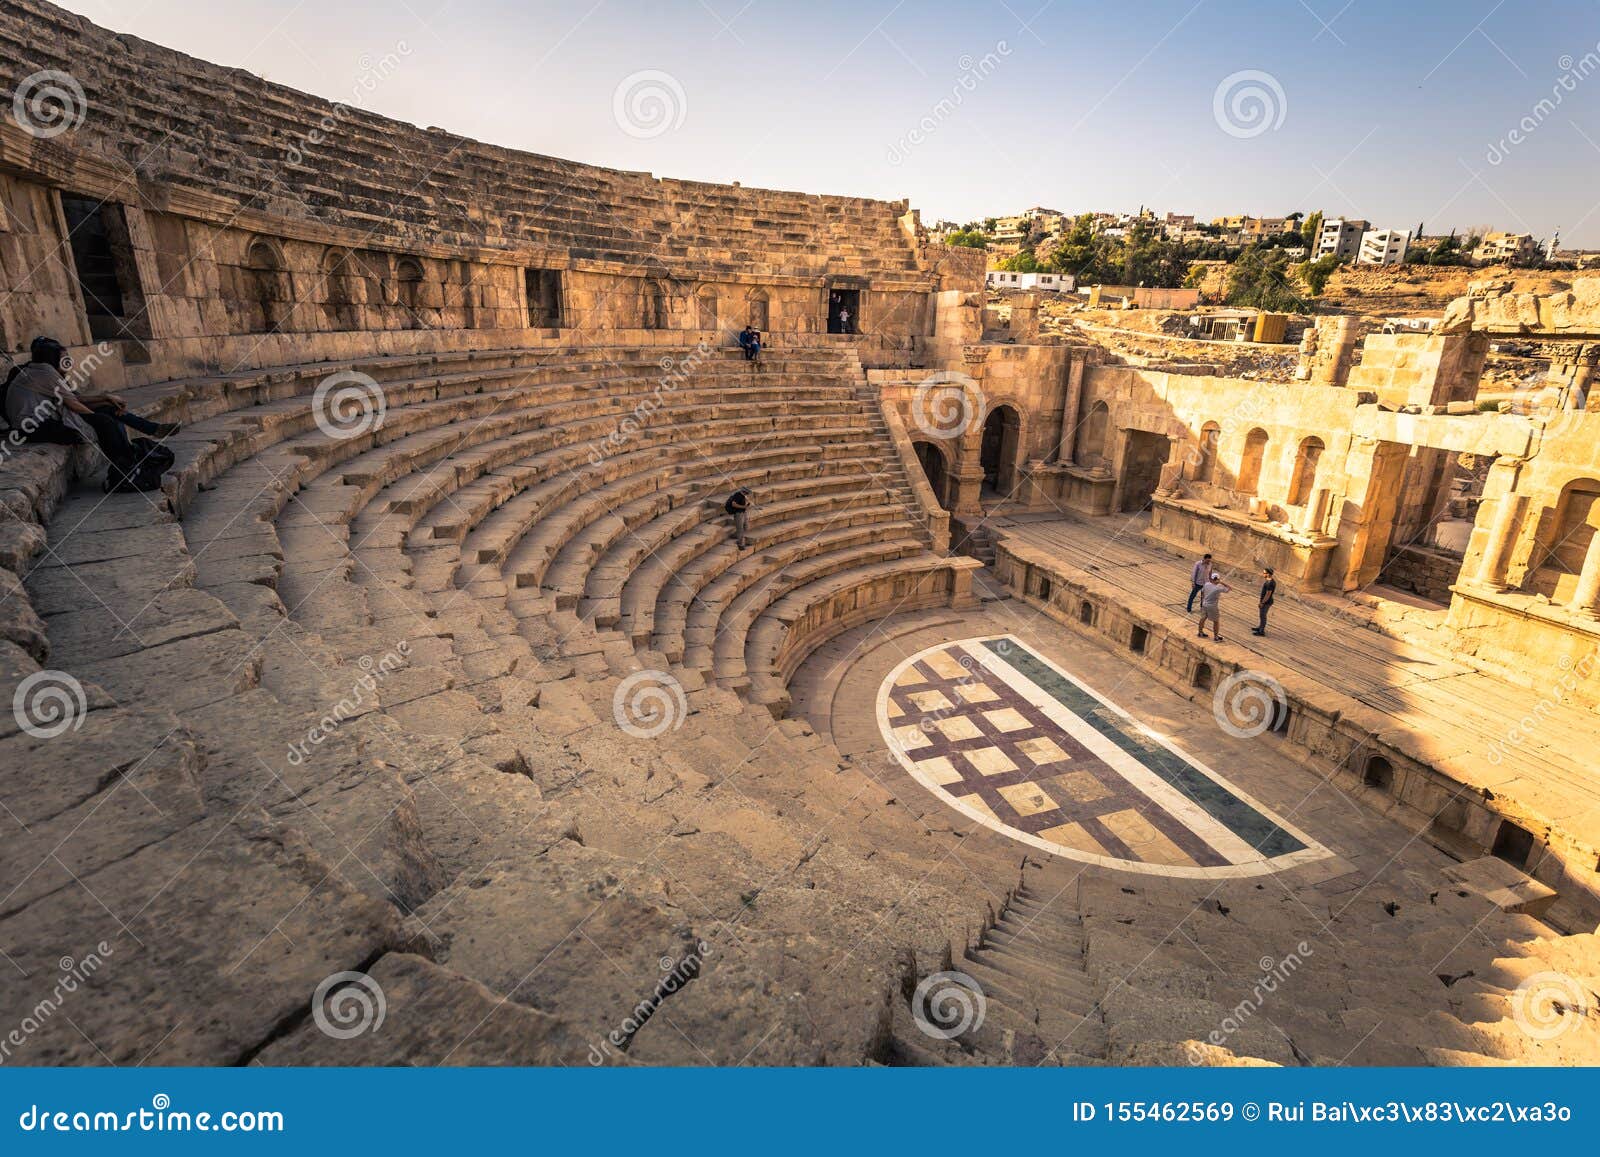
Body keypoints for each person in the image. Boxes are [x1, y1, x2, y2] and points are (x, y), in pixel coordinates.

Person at [3, 336, 178, 457]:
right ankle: (126, 459)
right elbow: (74, 404)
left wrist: (106, 398)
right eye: (64, 359)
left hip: (43, 421)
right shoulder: (45, 372)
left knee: (108, 410)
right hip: (32, 428)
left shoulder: (42, 370)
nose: (68, 362)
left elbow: (74, 399)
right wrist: (99, 416)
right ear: (52, 359)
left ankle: (149, 432)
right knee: (105, 420)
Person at [1197, 571, 1231, 642]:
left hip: (1204, 604)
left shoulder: (1206, 584)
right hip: (1212, 606)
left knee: (1203, 618)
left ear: (1211, 579)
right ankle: (1216, 637)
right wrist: (1221, 582)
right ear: (1217, 579)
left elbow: (1202, 592)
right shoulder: (1218, 588)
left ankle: (1200, 632)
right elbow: (1229, 588)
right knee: (1216, 621)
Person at [1252, 567, 1277, 637]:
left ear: (1268, 574)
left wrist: (1262, 602)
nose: (1263, 574)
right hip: (1265, 601)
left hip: (1267, 602)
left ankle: (1261, 631)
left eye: (1264, 573)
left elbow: (1268, 594)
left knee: (1263, 616)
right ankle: (1260, 627)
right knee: (1261, 615)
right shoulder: (1268, 580)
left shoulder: (1270, 583)